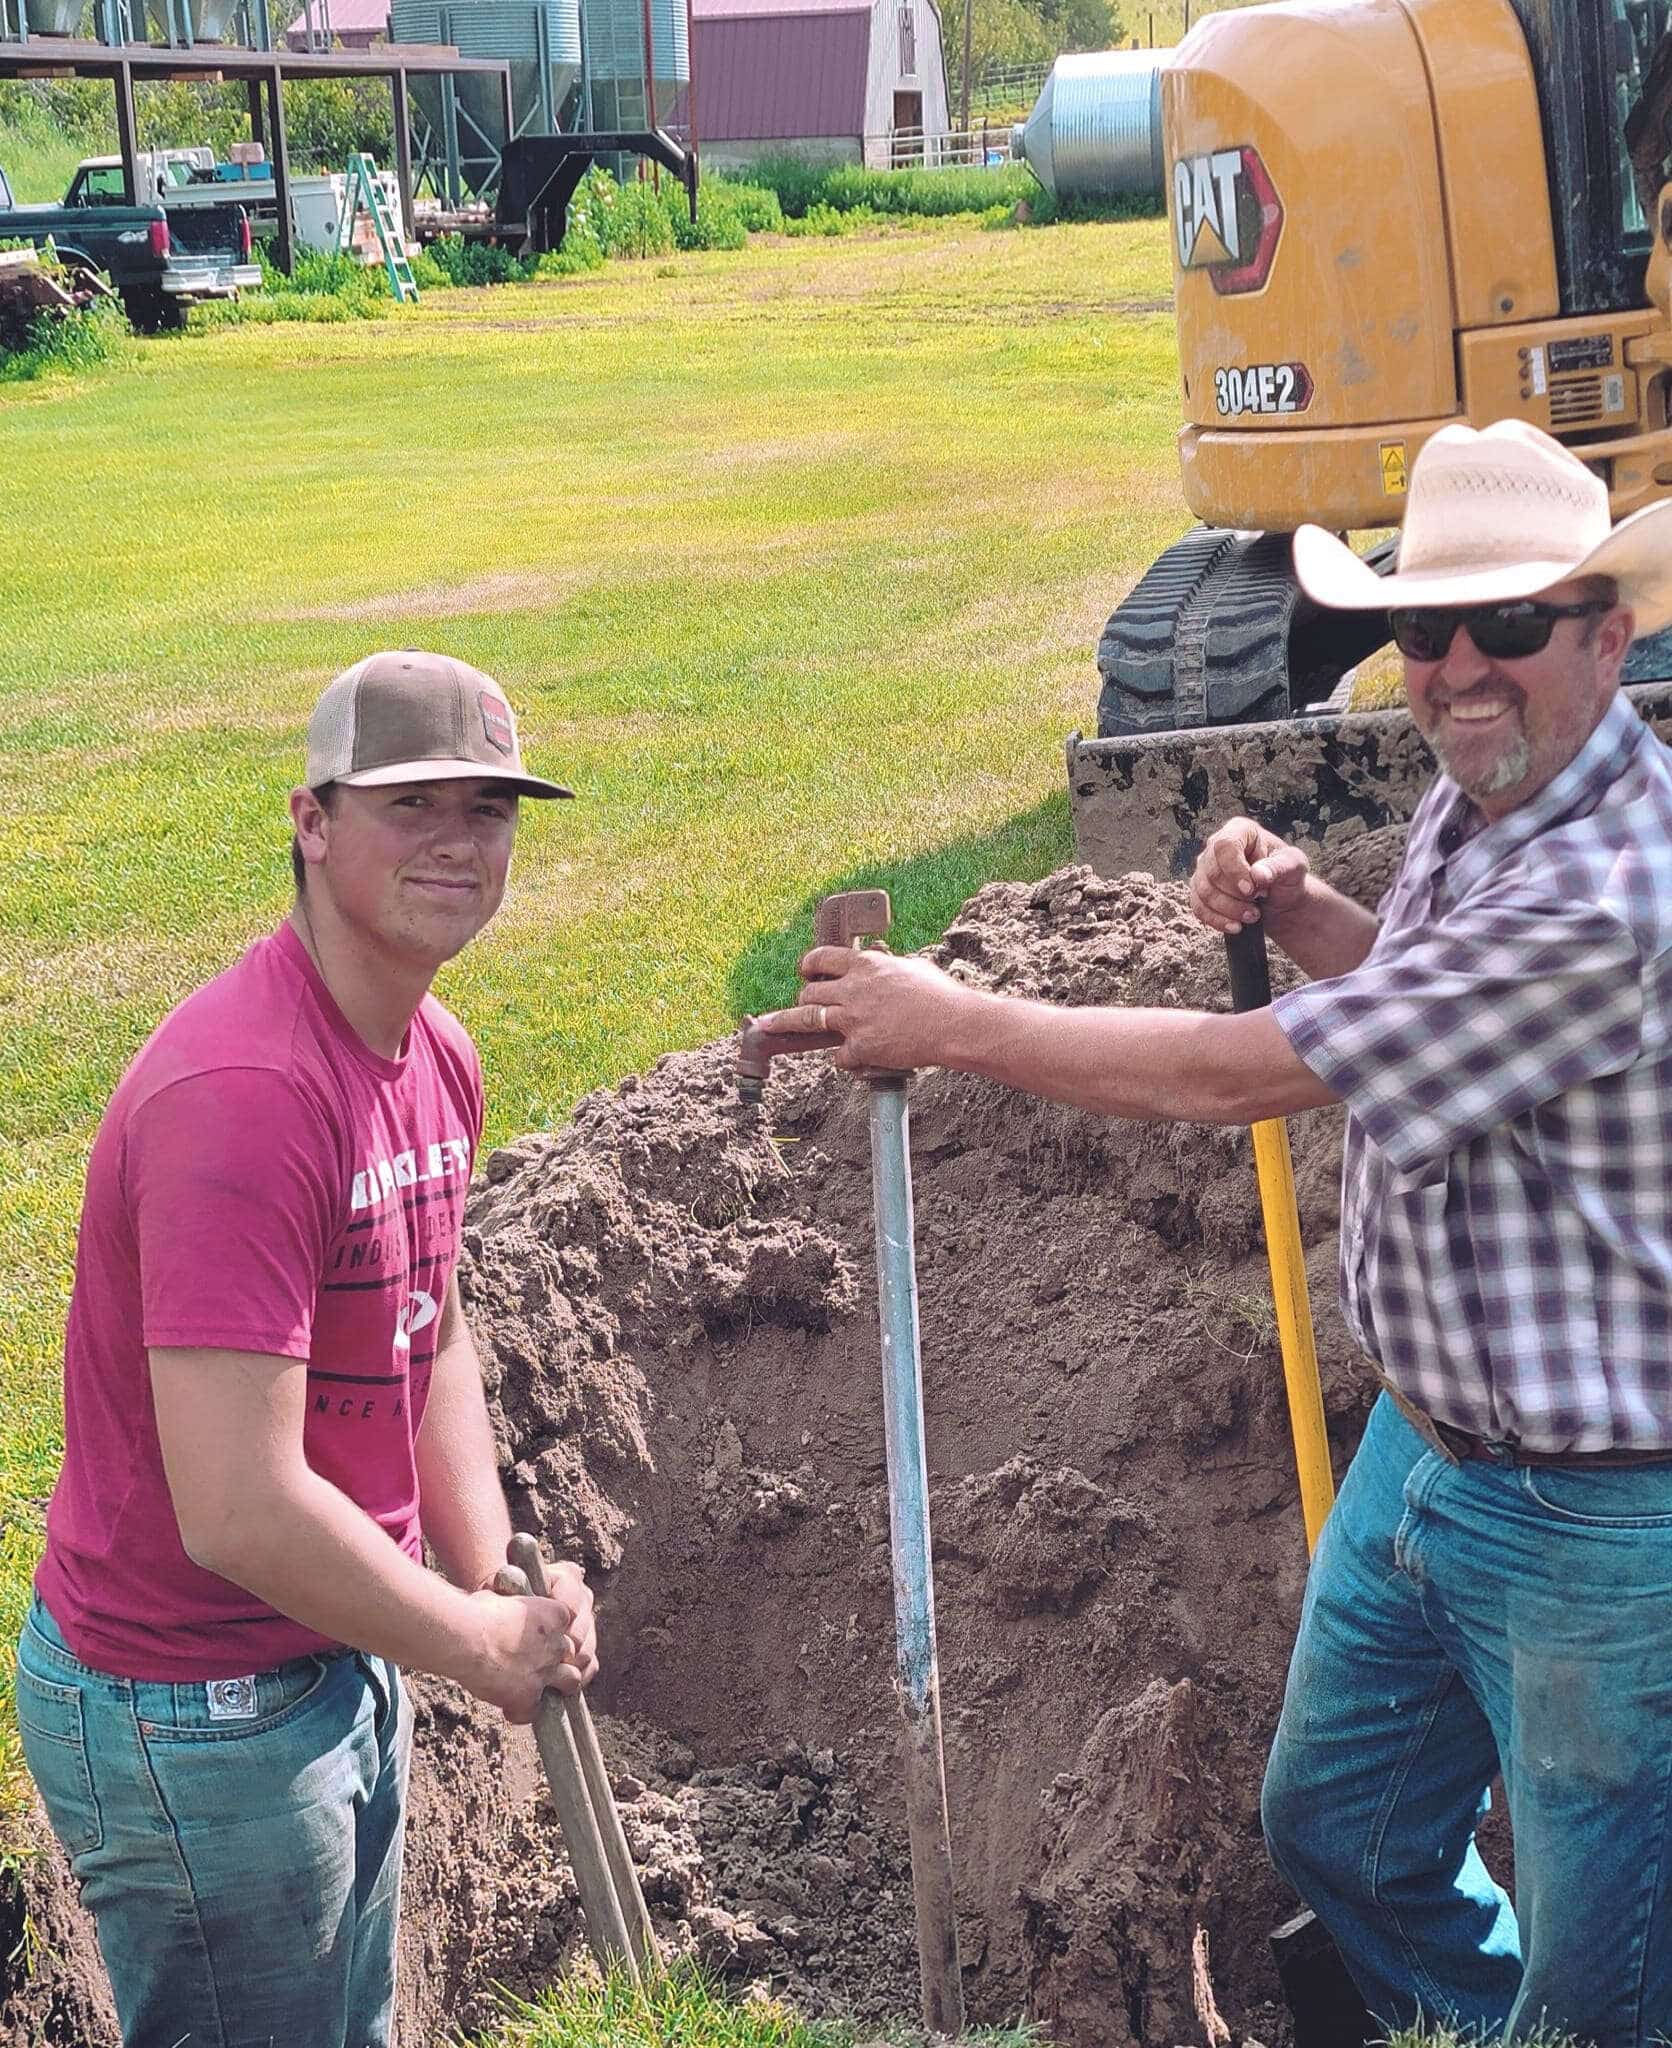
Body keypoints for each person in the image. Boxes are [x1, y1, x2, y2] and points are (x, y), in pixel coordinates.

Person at [755, 420, 1672, 2047]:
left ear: (1608, 633)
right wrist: (1309, 914)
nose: (1458, 666)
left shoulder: (1606, 890)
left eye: (1510, 622)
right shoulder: (1496, 797)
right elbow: (1427, 1005)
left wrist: (952, 1022)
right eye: (1424, 627)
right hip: (1425, 1452)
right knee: (1344, 1835)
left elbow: (1234, 1074)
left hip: (1598, 1518)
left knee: (1602, 1996)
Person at [15, 651, 597, 2048]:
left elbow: (425, 1324)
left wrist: (491, 1567)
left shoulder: (433, 1051)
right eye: (411, 805)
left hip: (327, 1657)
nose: (459, 841)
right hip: (195, 1708)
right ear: (312, 820)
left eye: (490, 809)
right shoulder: (249, 1097)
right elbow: (237, 1509)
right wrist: (472, 1643)